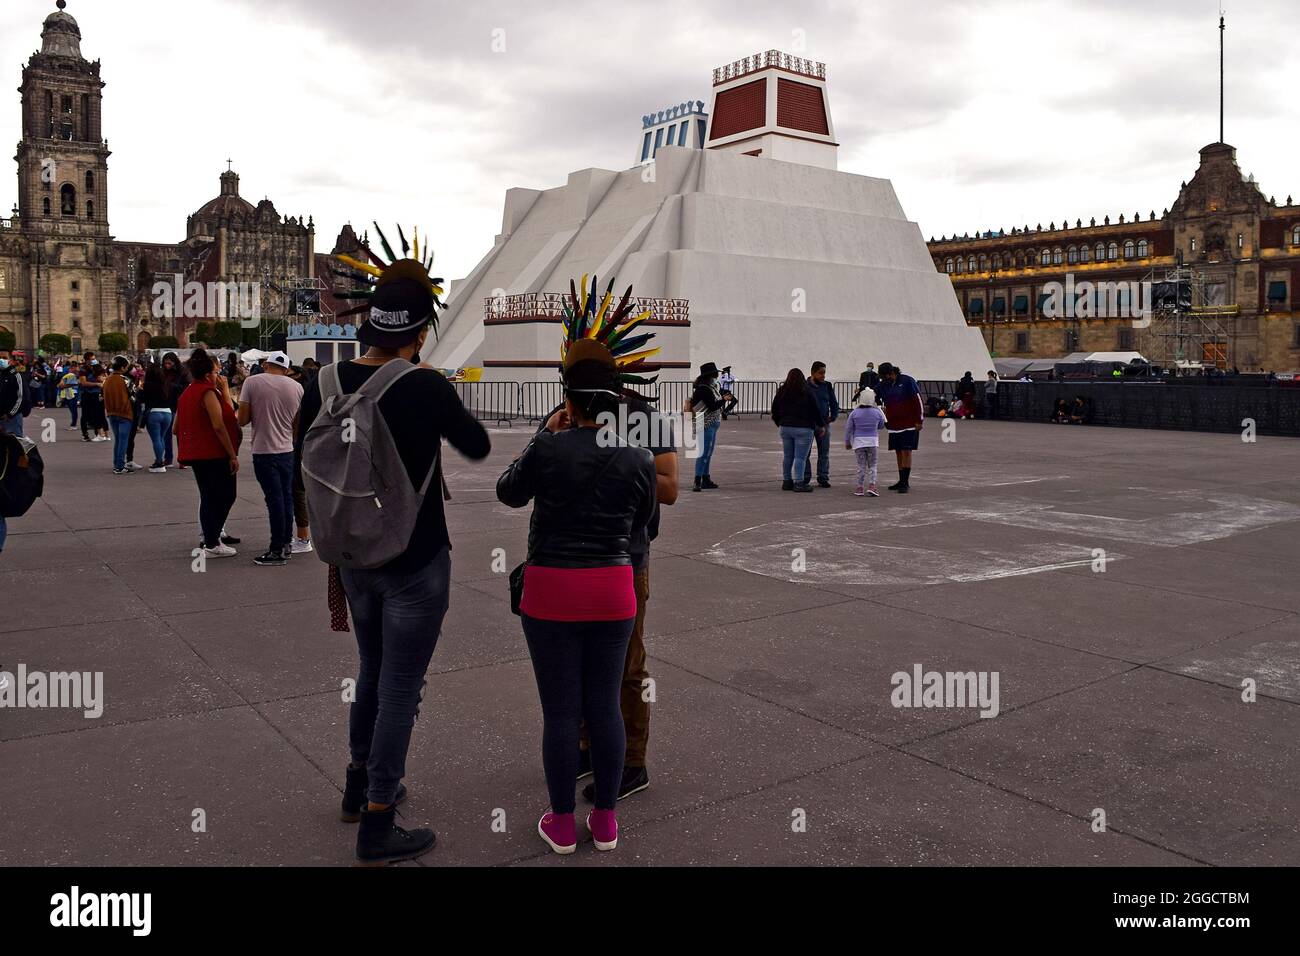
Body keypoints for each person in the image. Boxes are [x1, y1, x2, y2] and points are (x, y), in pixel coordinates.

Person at [297, 251, 490, 866]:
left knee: (372, 670)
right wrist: (428, 389)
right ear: (417, 331)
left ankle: (358, 787)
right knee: (402, 684)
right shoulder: (424, 385)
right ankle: (380, 819)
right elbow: (478, 445)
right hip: (416, 556)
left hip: (353, 557)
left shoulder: (319, 385)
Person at [497, 331, 656, 856]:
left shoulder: (547, 446)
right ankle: (606, 821)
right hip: (613, 587)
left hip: (552, 590)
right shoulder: (637, 457)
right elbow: (646, 527)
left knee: (562, 712)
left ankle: (562, 822)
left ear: (567, 399)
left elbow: (509, 491)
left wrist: (544, 434)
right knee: (606, 704)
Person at [237, 350, 303, 566]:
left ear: (266, 365)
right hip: (287, 451)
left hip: (264, 450)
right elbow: (296, 425)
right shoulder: (297, 387)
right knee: (286, 498)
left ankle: (276, 550)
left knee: (274, 500)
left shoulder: (252, 382)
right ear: (286, 369)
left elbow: (243, 419)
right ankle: (286, 543)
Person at [175, 349, 242, 557]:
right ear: (207, 375)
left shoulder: (187, 392)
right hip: (214, 453)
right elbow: (219, 425)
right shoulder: (207, 392)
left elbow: (175, 427)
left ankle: (210, 539)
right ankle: (212, 541)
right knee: (226, 495)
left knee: (208, 496)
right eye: (215, 372)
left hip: (197, 454)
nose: (218, 375)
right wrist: (232, 454)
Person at [770, 367, 824, 492]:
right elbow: (815, 410)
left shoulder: (782, 391)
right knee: (800, 457)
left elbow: (774, 410)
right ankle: (799, 482)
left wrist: (780, 423)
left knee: (788, 456)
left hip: (786, 427)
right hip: (804, 428)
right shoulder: (807, 391)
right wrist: (820, 425)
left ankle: (787, 481)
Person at [877, 362, 924, 493]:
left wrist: (919, 420)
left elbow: (918, 400)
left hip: (909, 423)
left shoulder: (907, 381)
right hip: (893, 424)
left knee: (906, 451)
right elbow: (875, 393)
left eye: (886, 376)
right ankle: (901, 480)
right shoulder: (884, 384)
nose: (885, 380)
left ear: (892, 373)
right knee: (898, 451)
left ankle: (905, 482)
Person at [688, 362, 725, 492]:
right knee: (703, 453)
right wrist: (724, 399)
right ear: (711, 375)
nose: (717, 376)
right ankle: (698, 480)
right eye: (716, 374)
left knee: (708, 452)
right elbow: (713, 406)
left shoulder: (710, 388)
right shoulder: (704, 390)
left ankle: (705, 478)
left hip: (711, 423)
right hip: (705, 424)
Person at [844, 388, 887, 496]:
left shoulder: (854, 413)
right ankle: (872, 486)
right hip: (872, 442)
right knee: (872, 465)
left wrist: (847, 441)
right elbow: (881, 425)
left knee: (861, 466)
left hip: (859, 443)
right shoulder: (877, 412)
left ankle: (859, 487)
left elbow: (848, 428)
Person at [803, 361, 840, 488]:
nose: (823, 376)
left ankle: (823, 477)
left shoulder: (827, 386)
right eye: (820, 373)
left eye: (824, 373)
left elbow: (834, 403)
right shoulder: (805, 386)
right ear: (813, 373)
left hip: (823, 424)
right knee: (805, 453)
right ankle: (805, 477)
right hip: (808, 424)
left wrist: (833, 416)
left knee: (824, 452)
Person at [103, 357, 136, 475]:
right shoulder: (125, 380)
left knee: (118, 440)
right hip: (124, 413)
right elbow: (133, 397)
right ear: (122, 367)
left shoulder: (107, 380)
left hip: (111, 413)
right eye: (126, 367)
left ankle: (116, 463)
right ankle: (120, 465)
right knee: (123, 440)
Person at [139, 363, 173, 473]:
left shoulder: (147, 384)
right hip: (167, 412)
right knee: (161, 438)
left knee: (156, 439)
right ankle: (160, 461)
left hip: (154, 412)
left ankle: (159, 463)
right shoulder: (166, 384)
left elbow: (142, 398)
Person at [160, 352, 187, 468]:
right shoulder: (162, 373)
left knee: (180, 433)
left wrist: (172, 386)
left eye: (169, 363)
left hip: (179, 404)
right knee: (167, 433)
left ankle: (182, 459)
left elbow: (185, 388)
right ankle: (168, 458)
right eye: (165, 363)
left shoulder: (182, 373)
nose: (167, 365)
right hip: (166, 405)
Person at [77, 358, 108, 442]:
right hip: (87, 395)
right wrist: (97, 383)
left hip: (96, 395)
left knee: (98, 415)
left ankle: (99, 434)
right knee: (87, 415)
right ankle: (87, 434)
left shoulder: (98, 372)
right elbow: (83, 383)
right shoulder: (84, 371)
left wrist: (101, 382)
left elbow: (105, 381)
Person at [58, 363, 79, 430]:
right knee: (72, 410)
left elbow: (71, 384)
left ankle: (73, 425)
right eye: (70, 368)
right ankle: (73, 424)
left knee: (73, 410)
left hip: (72, 393)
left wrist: (62, 386)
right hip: (69, 393)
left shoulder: (71, 375)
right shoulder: (69, 375)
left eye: (71, 368)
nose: (69, 369)